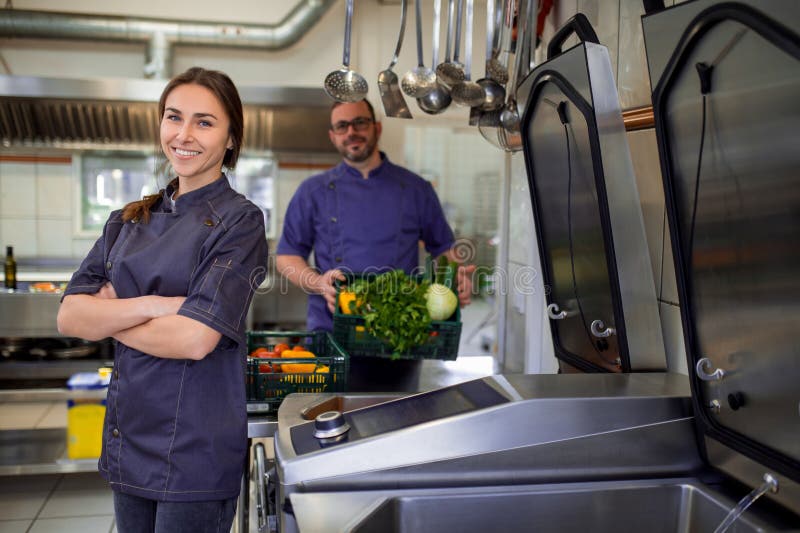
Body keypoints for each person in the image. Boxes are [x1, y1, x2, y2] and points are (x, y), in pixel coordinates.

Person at [57, 67, 268, 533]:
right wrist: (156, 306)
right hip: (127, 437)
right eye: (174, 117)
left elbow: (194, 338)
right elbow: (71, 317)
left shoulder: (241, 223)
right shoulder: (125, 221)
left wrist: (108, 315)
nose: (184, 135)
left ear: (231, 139)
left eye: (205, 122)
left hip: (195, 450)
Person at [276, 98, 475, 392]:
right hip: (332, 336)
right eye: (342, 126)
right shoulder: (312, 192)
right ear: (333, 136)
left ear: (376, 127)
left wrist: (458, 275)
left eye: (360, 122)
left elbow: (444, 248)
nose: (351, 132)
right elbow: (287, 256)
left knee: (396, 426)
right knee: (331, 427)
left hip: (399, 337)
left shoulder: (416, 189)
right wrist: (318, 283)